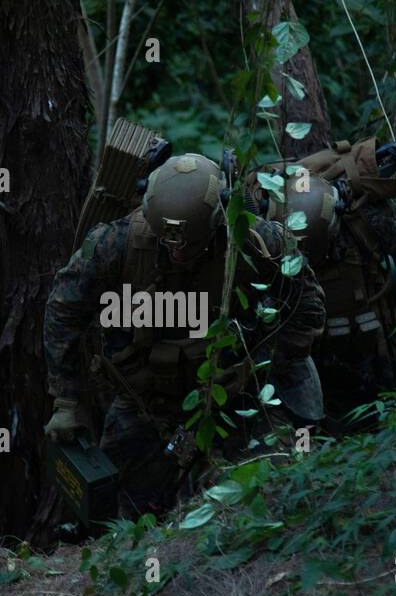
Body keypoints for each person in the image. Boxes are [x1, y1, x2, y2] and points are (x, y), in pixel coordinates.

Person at [43, 152, 325, 516]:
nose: (176, 251)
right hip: (146, 402)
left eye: (187, 243)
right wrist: (66, 402)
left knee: (269, 495)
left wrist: (261, 364)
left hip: (237, 399)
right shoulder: (118, 243)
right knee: (114, 512)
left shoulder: (259, 242)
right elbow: (63, 308)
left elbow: (308, 308)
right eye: (167, 240)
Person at [262, 148, 396, 431]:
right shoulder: (268, 237)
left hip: (375, 349)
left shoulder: (369, 221)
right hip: (309, 361)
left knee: (395, 418)